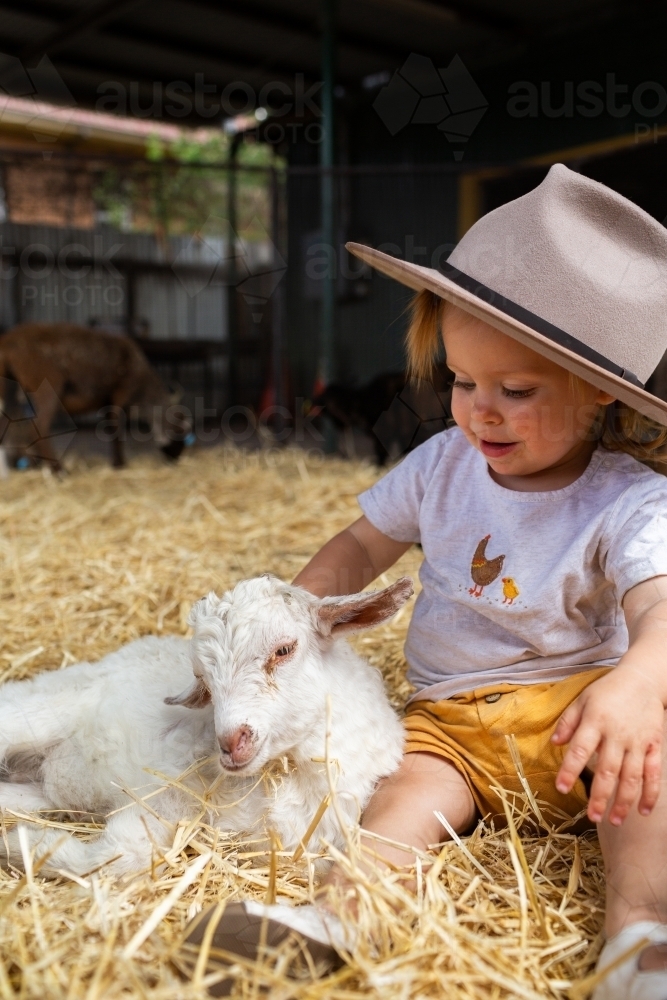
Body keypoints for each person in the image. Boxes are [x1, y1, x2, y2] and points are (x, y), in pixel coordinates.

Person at [175, 164, 667, 1000]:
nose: (478, 411)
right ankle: (337, 920)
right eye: (461, 383)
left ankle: (639, 946)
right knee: (401, 802)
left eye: (514, 391)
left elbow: (657, 604)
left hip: (581, 720)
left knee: (647, 787)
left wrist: (637, 685)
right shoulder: (442, 466)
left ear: (596, 397)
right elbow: (359, 547)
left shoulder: (627, 499)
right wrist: (285, 619)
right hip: (450, 726)